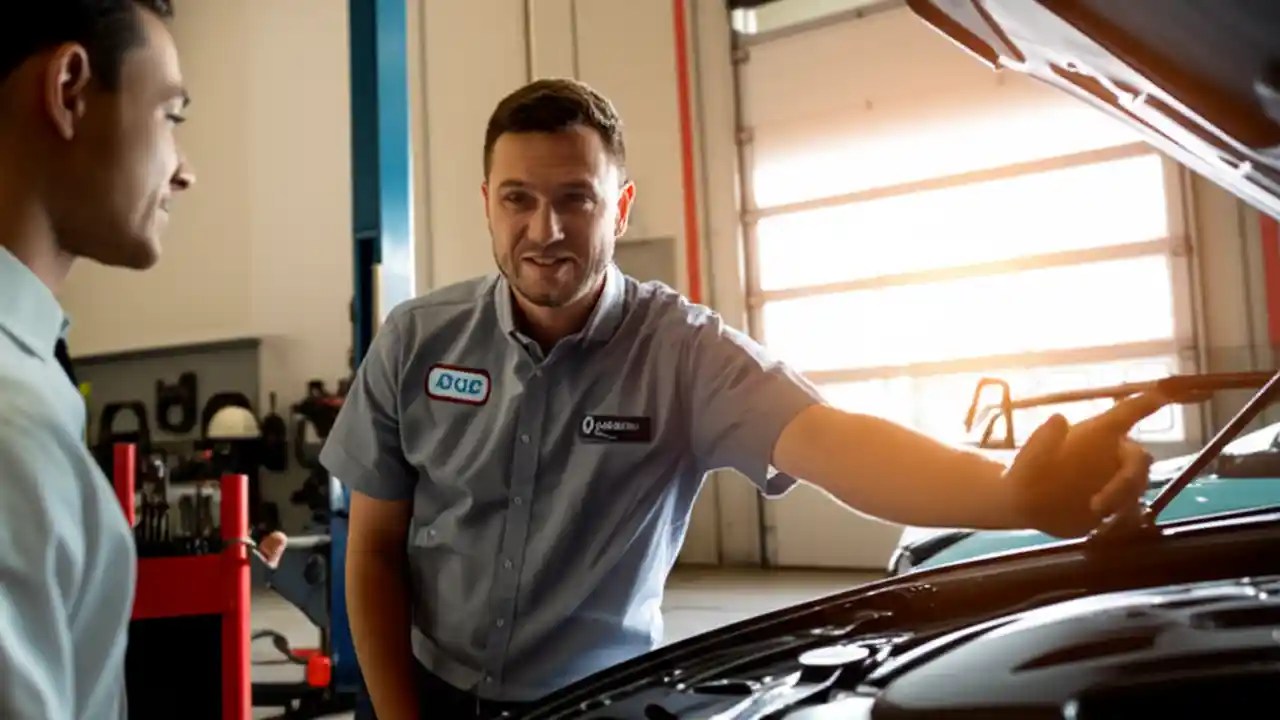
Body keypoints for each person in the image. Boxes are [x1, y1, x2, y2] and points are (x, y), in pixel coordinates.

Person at [320, 78, 1167, 720]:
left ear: (617, 207)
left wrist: (1008, 493)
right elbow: (375, 550)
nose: (544, 230)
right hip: (423, 689)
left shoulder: (683, 352)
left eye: (575, 199)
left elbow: (834, 443)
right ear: (487, 204)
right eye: (519, 200)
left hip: (599, 701)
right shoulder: (417, 340)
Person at [0, 2, 194, 717]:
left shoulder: (31, 382)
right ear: (71, 89)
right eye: (171, 116)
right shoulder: (10, 422)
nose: (184, 173)